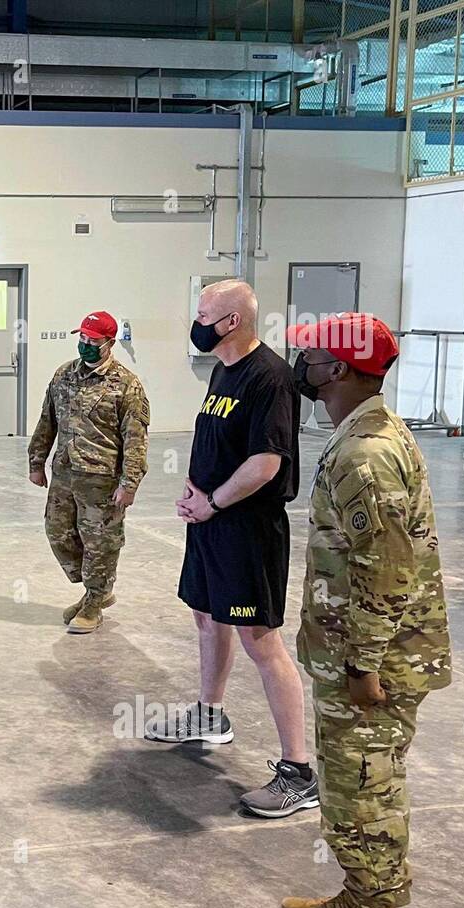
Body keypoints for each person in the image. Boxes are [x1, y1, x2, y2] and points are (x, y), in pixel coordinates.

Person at [280, 314, 451, 908]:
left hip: (375, 659)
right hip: (371, 648)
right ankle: (367, 899)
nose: (303, 366)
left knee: (363, 787)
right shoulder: (368, 433)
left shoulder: (364, 452)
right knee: (363, 778)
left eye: (313, 357)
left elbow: (387, 567)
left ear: (340, 370)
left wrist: (362, 666)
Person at [146, 280, 317, 820]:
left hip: (245, 529)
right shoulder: (223, 370)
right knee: (205, 616)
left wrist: (214, 502)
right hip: (211, 521)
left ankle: (299, 772)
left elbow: (267, 463)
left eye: (203, 314)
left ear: (231, 322)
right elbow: (222, 444)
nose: (195, 322)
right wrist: (199, 495)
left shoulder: (269, 377)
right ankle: (209, 714)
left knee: (260, 639)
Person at [28, 311, 150, 633]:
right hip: (64, 473)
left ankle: (94, 601)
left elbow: (135, 439)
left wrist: (130, 483)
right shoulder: (64, 375)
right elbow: (47, 421)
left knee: (100, 541)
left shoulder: (127, 385)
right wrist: (36, 462)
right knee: (58, 533)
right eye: (81, 338)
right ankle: (96, 588)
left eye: (92, 341)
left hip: (102, 479)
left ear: (110, 343)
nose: (85, 345)